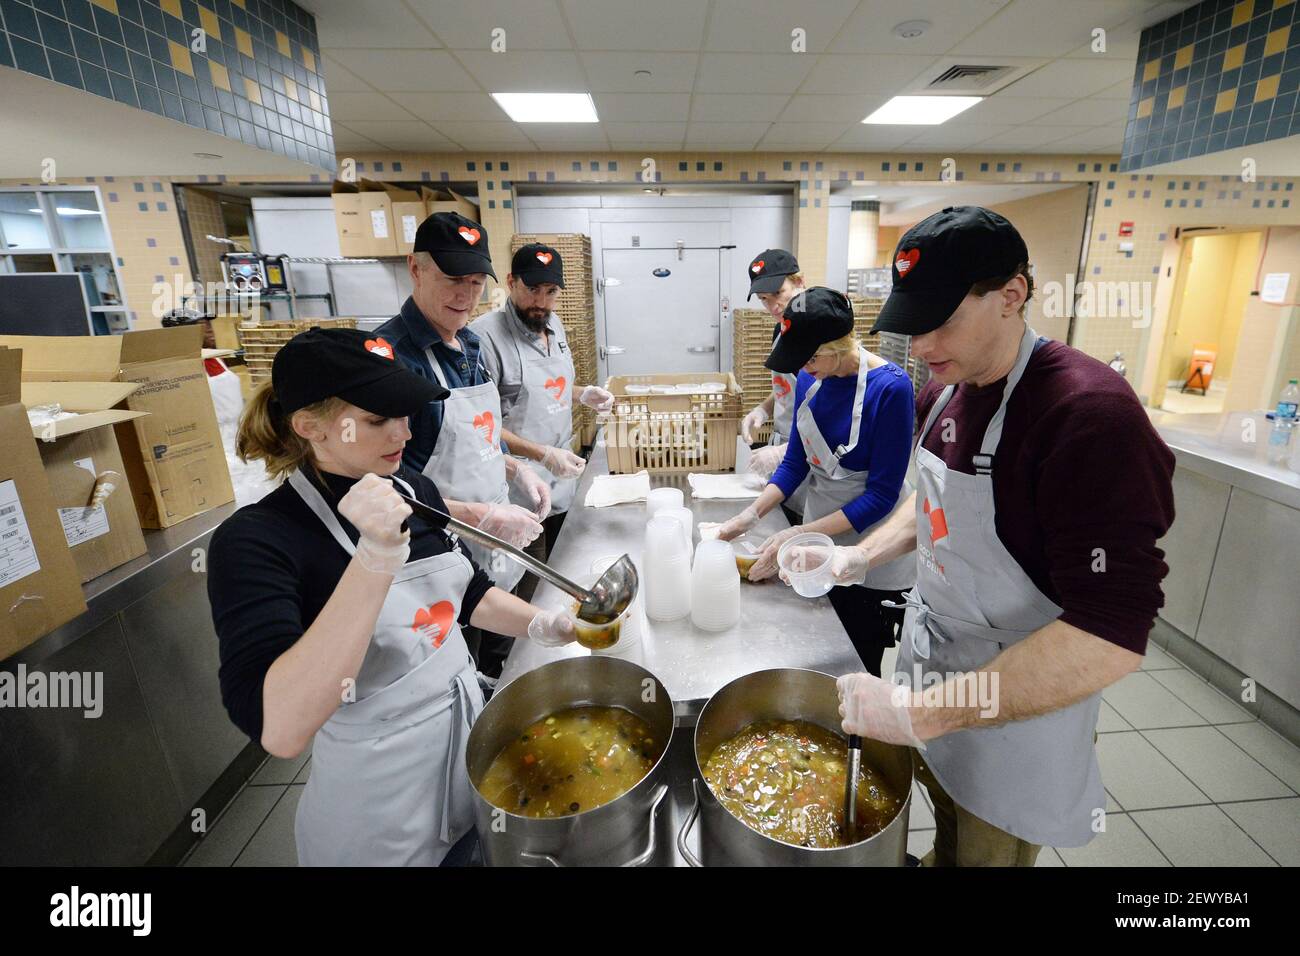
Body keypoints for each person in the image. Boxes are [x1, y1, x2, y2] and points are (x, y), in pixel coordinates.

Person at [814, 206, 1175, 866]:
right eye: (911, 324)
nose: (919, 347)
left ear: (1012, 294)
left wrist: (922, 715)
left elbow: (1110, 639)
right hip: (932, 675)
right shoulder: (944, 393)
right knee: (945, 832)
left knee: (986, 852)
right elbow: (928, 502)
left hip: (1016, 718)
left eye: (940, 321)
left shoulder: (1088, 415)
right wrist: (858, 556)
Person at [208, 327, 577, 866]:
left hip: (465, 761)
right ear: (309, 426)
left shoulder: (414, 491)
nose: (402, 431)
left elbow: (466, 596)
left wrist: (545, 624)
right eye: (378, 419)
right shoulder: (259, 540)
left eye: (404, 412)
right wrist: (373, 560)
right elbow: (281, 729)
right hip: (379, 812)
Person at [371, 211, 555, 677]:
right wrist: (480, 517)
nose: (465, 294)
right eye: (453, 278)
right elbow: (374, 487)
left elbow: (479, 436)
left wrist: (517, 468)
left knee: (498, 667)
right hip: (430, 564)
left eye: (475, 282)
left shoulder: (469, 346)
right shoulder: (387, 362)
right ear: (415, 268)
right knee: (454, 677)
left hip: (491, 555)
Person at [715, 287, 916, 676]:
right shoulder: (812, 377)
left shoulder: (891, 388)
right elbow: (795, 463)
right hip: (817, 535)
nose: (804, 368)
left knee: (856, 660)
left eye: (810, 357)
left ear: (839, 343)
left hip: (872, 552)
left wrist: (801, 533)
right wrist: (750, 516)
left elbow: (881, 495)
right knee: (817, 646)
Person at [470, 242, 615, 598]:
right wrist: (541, 455)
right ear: (511, 282)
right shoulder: (483, 337)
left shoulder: (554, 324)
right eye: (532, 289)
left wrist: (580, 393)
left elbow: (541, 388)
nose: (541, 301)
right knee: (528, 584)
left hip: (562, 475)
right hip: (517, 486)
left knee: (564, 570)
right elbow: (477, 422)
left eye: (550, 292)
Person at [738, 249, 807, 524]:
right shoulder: (781, 329)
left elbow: (837, 405)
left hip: (810, 453)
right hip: (783, 445)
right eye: (764, 300)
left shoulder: (821, 333)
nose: (773, 306)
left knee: (800, 528)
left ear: (800, 281)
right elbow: (789, 384)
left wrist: (785, 452)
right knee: (781, 518)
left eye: (778, 293)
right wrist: (764, 409)